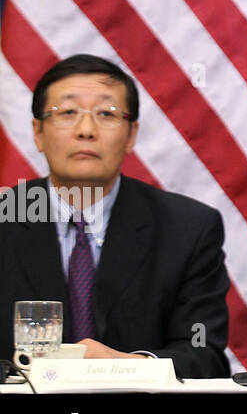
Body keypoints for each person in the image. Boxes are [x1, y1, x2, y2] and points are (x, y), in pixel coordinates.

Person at [0, 55, 230, 378]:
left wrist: (126, 367)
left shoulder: (188, 229)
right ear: (37, 132)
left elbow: (203, 352)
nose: (86, 130)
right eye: (67, 113)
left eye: (106, 114)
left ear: (132, 134)